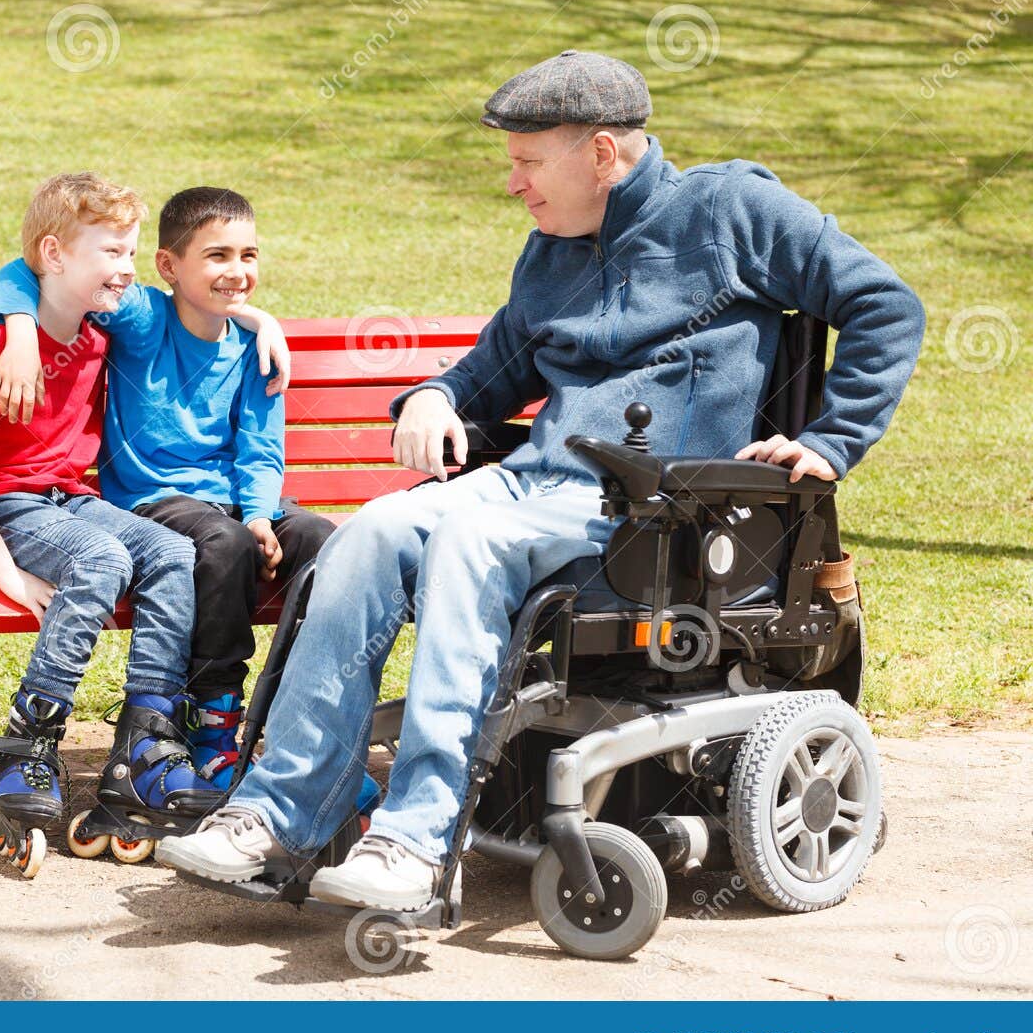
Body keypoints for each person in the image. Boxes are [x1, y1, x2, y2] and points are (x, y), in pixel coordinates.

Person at [155, 50, 927, 911]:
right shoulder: (553, 251)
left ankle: (415, 841)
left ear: (601, 154)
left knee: (469, 535)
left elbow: (885, 305)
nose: (514, 183)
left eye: (528, 162)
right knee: (373, 530)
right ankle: (278, 815)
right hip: (529, 485)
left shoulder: (730, 210)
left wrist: (831, 440)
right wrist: (436, 397)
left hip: (656, 519)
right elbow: (487, 374)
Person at [0, 187, 343, 800]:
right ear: (169, 266)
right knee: (222, 540)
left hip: (232, 504)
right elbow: (26, 269)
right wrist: (18, 331)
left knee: (323, 542)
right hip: (154, 502)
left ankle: (299, 725)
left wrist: (261, 513)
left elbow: (260, 449)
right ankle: (212, 727)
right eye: (217, 256)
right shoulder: (144, 318)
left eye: (248, 255)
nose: (237, 272)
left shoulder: (254, 350)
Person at [0, 172, 214, 877]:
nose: (126, 268)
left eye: (130, 251)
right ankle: (29, 742)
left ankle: (146, 738)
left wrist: (263, 321)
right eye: (112, 252)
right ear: (54, 254)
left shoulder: (97, 334)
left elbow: (194, 306)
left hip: (62, 501)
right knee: (99, 559)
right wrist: (2, 568)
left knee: (173, 551)